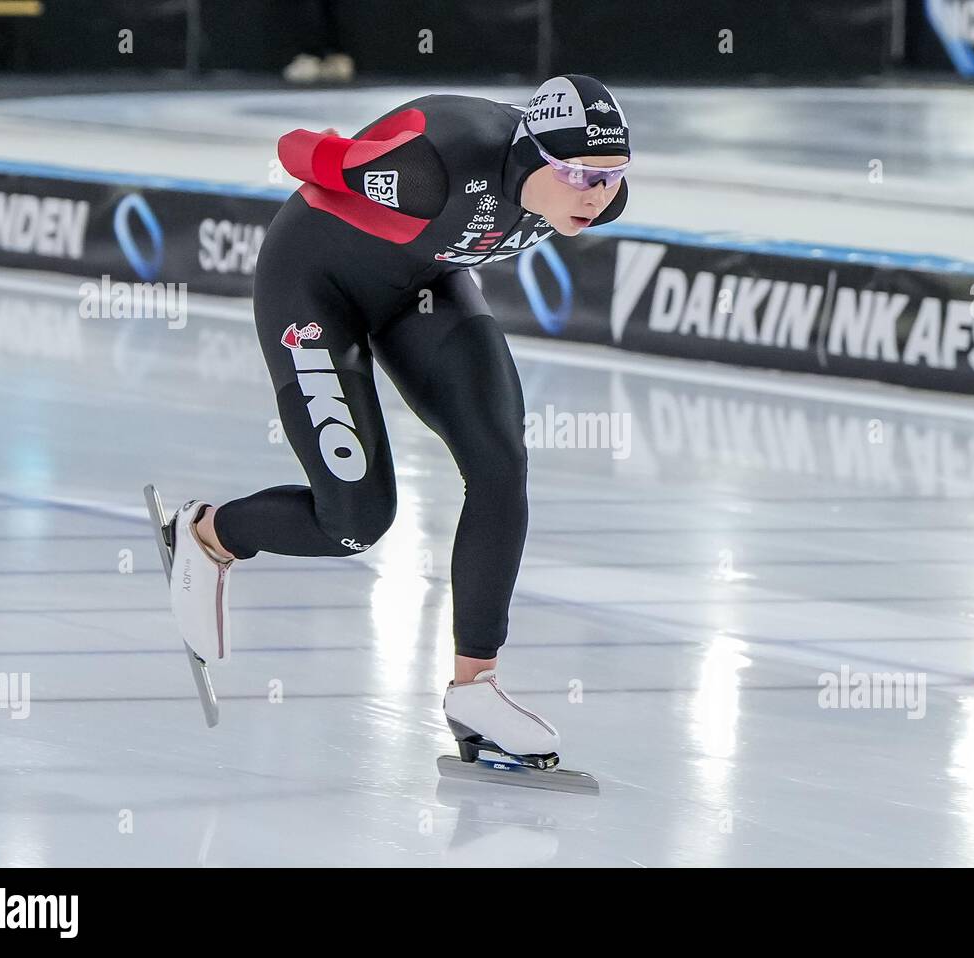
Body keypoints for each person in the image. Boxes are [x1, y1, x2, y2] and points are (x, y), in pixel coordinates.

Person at [165, 74, 630, 769]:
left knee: (500, 466)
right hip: (315, 285)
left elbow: (589, 180)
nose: (596, 194)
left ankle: (476, 690)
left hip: (423, 287)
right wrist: (352, 158)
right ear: (532, 154)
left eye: (611, 176)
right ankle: (207, 534)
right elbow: (299, 152)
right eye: (579, 175)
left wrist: (592, 176)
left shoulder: (597, 195)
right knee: (354, 521)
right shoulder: (430, 167)